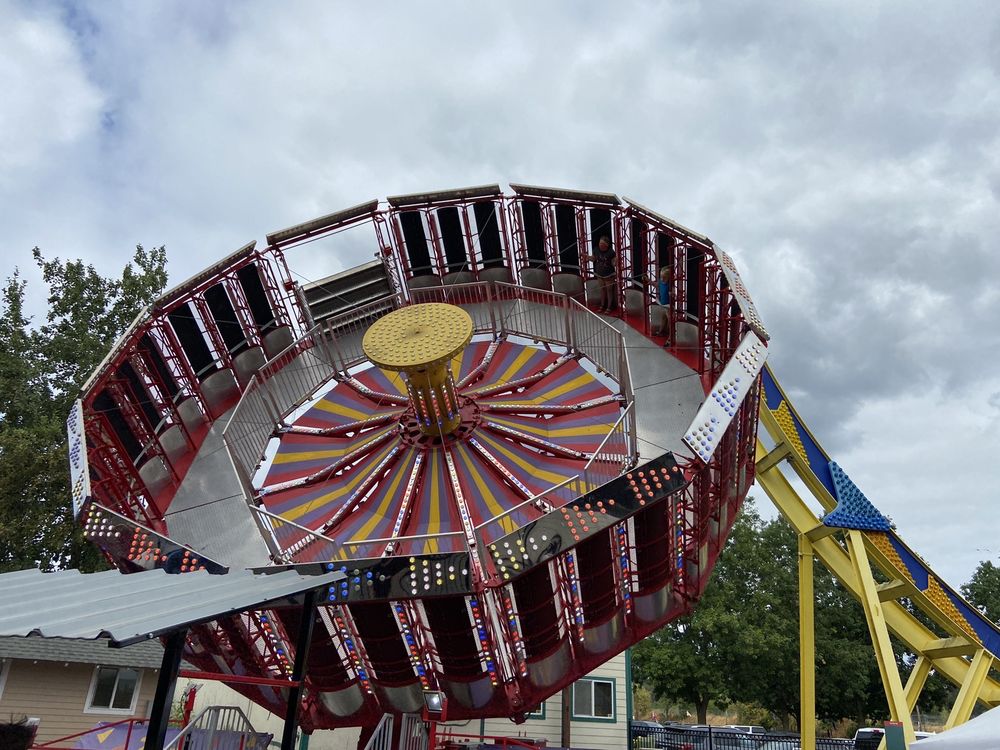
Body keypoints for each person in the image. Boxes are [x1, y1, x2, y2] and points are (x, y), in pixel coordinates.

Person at [594, 235, 616, 312]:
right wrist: (586, 257)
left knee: (609, 290)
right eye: (600, 243)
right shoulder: (596, 250)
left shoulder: (611, 252)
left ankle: (609, 307)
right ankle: (602, 305)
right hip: (599, 274)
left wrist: (616, 262)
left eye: (602, 244)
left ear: (606, 245)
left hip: (609, 274)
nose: (600, 245)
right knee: (602, 290)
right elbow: (594, 259)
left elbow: (613, 263)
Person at [655, 265, 671, 338]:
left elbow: (673, 294)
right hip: (662, 304)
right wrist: (648, 281)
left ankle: (670, 337)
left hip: (668, 306)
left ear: (668, 278)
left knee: (670, 321)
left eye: (664, 277)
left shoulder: (669, 285)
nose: (662, 279)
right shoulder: (660, 282)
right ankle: (661, 331)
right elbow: (655, 285)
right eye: (661, 277)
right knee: (663, 318)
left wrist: (672, 294)